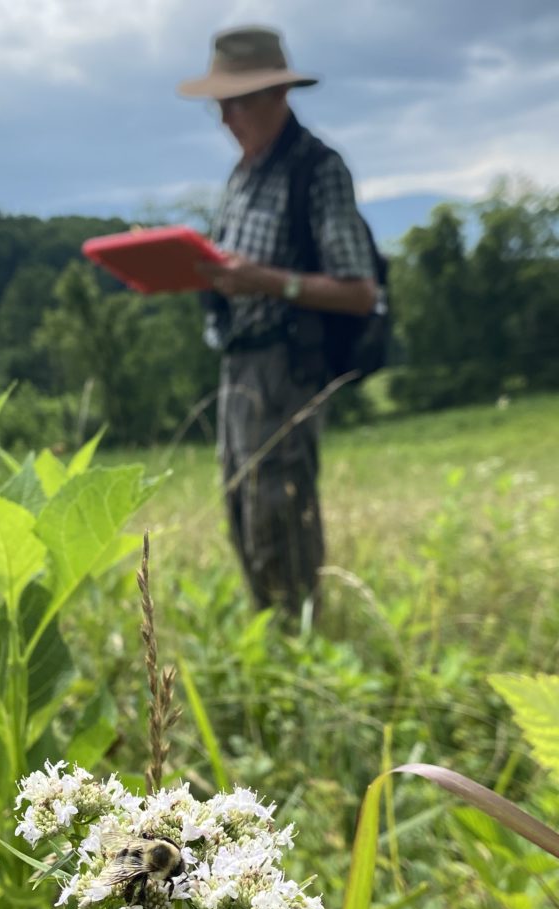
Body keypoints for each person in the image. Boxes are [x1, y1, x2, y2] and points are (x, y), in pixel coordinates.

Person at [177, 25, 377, 622]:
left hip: (287, 366)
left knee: (279, 508)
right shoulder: (242, 176)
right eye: (219, 104)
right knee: (241, 504)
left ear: (277, 96)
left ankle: (299, 633)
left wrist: (266, 280)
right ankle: (271, 624)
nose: (224, 119)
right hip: (236, 363)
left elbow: (360, 291)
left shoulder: (317, 169)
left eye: (235, 102)